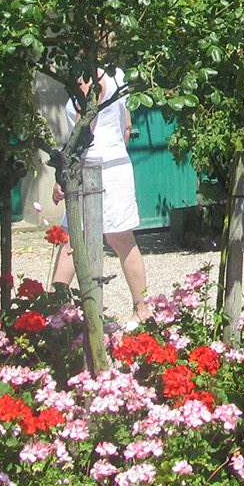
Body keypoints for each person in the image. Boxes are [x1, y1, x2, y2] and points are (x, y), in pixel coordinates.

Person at [51, 67, 150, 325]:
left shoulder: (89, 77)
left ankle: (53, 311)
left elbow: (83, 128)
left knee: (74, 240)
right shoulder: (118, 74)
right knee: (119, 240)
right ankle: (141, 310)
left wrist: (64, 174)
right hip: (116, 163)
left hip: (91, 166)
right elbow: (126, 126)